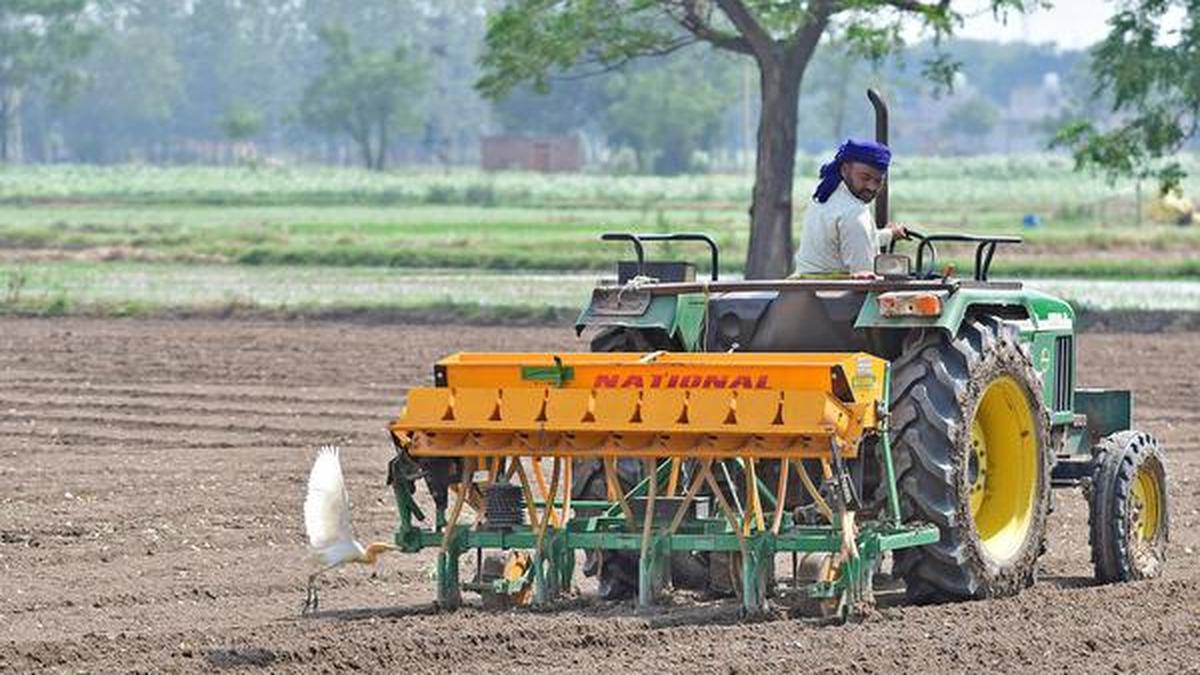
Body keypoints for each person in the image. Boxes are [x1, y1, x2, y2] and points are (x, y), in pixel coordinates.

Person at [793, 139, 907, 279]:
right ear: (845, 169)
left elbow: (851, 240)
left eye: (878, 181)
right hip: (836, 296)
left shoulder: (825, 195)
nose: (872, 187)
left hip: (806, 289)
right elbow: (865, 275)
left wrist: (889, 234)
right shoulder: (854, 213)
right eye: (865, 178)